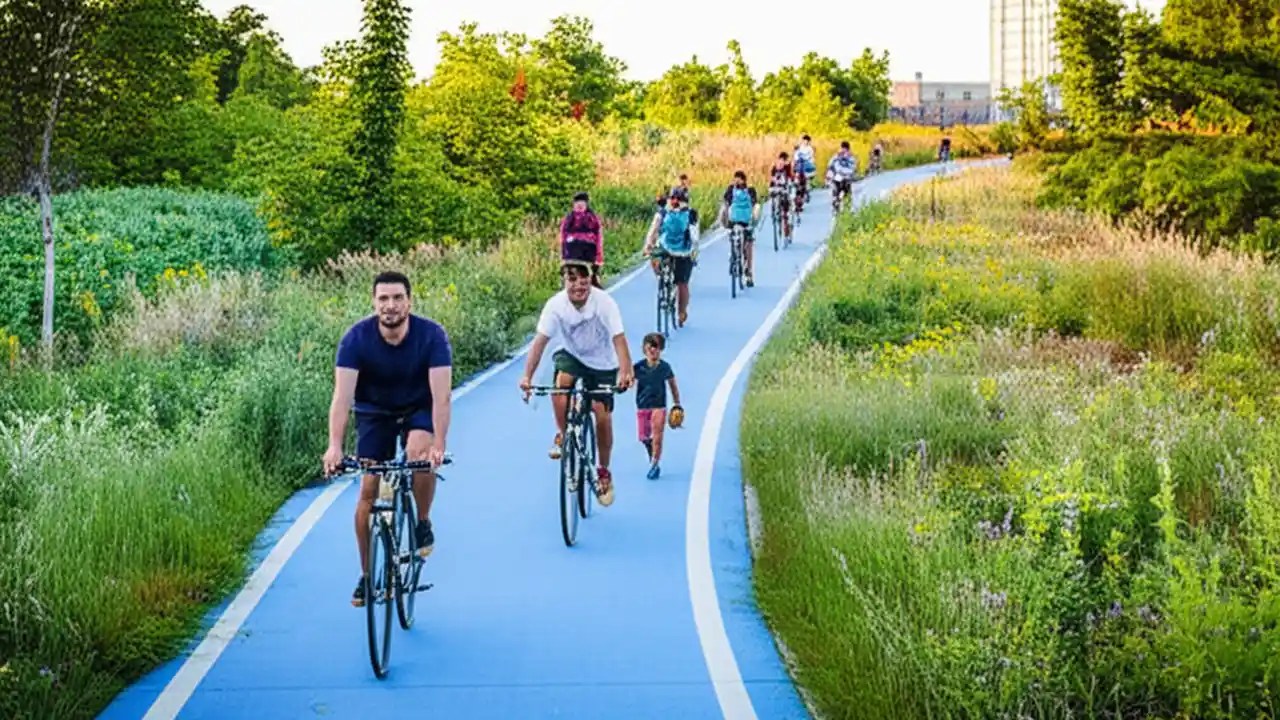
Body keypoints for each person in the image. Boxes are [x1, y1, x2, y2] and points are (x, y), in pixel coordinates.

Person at [323, 271, 453, 608]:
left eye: (397, 298)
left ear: (409, 302)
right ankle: (367, 576)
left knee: (420, 455)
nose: (390, 305)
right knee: (368, 492)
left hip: (418, 407)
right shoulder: (355, 339)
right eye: (383, 298)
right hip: (375, 412)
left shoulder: (432, 336)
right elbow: (341, 398)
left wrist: (439, 444)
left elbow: (441, 397)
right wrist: (334, 446)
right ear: (374, 302)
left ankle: (422, 521)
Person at [519, 262, 635, 506]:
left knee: (601, 415)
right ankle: (565, 435)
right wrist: (527, 376)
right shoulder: (555, 305)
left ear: (591, 281)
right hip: (572, 355)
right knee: (561, 385)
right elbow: (540, 342)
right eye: (572, 280)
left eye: (584, 281)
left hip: (603, 362)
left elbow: (619, 339)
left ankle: (603, 470)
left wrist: (626, 371)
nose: (578, 286)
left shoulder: (604, 303)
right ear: (564, 281)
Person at [642, 186, 700, 326]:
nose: (675, 201)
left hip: (668, 249)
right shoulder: (690, 214)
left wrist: (648, 246)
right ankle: (681, 312)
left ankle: (663, 281)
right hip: (682, 251)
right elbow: (695, 236)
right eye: (673, 198)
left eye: (677, 199)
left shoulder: (663, 213)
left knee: (655, 260)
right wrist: (694, 251)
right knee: (682, 283)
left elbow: (653, 231)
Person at [633, 332, 683, 480]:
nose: (653, 351)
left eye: (656, 348)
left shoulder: (665, 368)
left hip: (659, 405)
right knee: (643, 436)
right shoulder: (638, 367)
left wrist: (677, 404)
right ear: (644, 349)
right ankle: (650, 447)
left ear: (661, 349)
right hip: (642, 405)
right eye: (650, 348)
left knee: (657, 436)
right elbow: (628, 380)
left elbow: (673, 385)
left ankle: (655, 463)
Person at [719, 170, 761, 287]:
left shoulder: (732, 189)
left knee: (743, 242)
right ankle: (749, 273)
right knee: (748, 244)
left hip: (733, 222)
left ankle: (740, 263)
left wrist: (724, 221)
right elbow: (754, 205)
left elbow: (726, 204)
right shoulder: (749, 190)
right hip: (745, 223)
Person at [560, 191, 604, 287]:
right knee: (570, 277)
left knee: (591, 278)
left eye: (582, 203)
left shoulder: (593, 219)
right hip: (572, 254)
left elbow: (599, 238)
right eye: (577, 203)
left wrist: (599, 257)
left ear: (586, 204)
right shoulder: (568, 219)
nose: (579, 205)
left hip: (587, 254)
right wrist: (563, 255)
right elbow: (562, 238)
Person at [768, 151, 795, 240]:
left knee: (783, 202)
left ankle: (779, 213)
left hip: (781, 188)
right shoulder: (779, 166)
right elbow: (771, 178)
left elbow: (790, 177)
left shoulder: (784, 167)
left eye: (783, 161)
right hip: (778, 188)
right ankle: (776, 212)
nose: (781, 163)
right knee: (778, 199)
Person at [825, 141, 858, 212]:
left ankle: (840, 207)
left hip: (843, 178)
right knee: (840, 194)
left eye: (845, 149)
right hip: (840, 177)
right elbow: (830, 164)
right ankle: (838, 206)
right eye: (843, 149)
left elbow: (830, 164)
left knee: (844, 194)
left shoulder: (847, 157)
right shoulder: (842, 156)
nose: (844, 151)